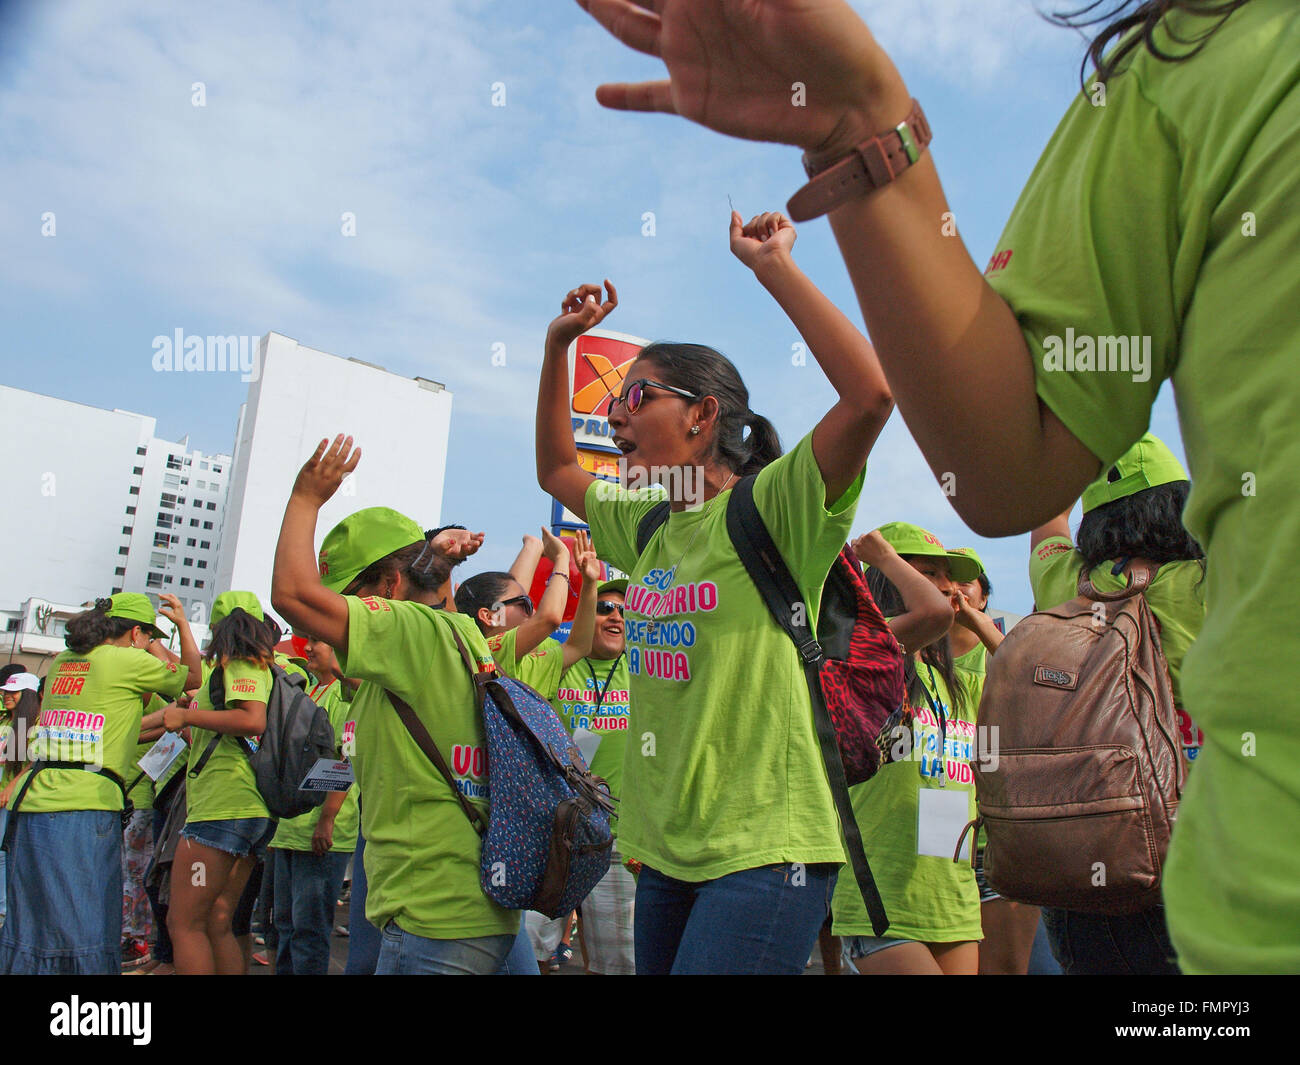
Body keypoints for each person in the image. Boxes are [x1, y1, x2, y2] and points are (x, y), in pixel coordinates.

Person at [575, 0, 1298, 976]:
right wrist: (854, 132)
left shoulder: (793, 520)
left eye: (646, 396)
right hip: (1224, 896)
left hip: (891, 866)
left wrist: (845, 156)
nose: (948, 584)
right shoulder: (1201, 58)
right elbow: (1003, 469)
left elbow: (914, 433)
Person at [534, 207, 894, 974]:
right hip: (667, 854)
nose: (614, 417)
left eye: (636, 399)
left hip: (767, 851)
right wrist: (558, 345)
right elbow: (557, 472)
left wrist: (775, 268)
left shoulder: (774, 506)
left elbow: (870, 396)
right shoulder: (652, 525)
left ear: (702, 415)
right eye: (611, 403)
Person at [271, 445, 523, 975]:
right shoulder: (441, 636)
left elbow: (292, 594)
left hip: (434, 915)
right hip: (464, 906)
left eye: (349, 597)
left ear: (386, 590)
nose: (334, 619)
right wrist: (437, 557)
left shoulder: (411, 631)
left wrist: (305, 498)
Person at [1028, 431, 1206, 975]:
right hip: (1202, 853)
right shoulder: (1209, 581)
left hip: (1089, 859)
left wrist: (1061, 453)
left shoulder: (1063, 580)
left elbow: (1046, 523)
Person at [0, 593, 197, 974]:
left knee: (32, 921)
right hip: (83, 805)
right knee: (84, 920)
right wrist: (178, 629)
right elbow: (191, 678)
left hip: (34, 799)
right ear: (138, 633)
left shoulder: (62, 663)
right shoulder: (128, 660)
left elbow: (118, 728)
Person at [832, 525, 982, 975]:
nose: (946, 587)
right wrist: (881, 557)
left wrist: (973, 619)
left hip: (951, 897)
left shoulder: (962, 686)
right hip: (881, 894)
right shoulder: (870, 662)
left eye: (949, 577)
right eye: (929, 571)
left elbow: (1025, 674)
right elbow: (932, 613)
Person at [457, 527, 602, 973]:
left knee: (509, 926)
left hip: (526, 797)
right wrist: (560, 560)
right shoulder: (487, 648)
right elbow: (549, 619)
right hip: (499, 798)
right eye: (522, 603)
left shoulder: (534, 656)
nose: (532, 603)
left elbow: (577, 642)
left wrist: (589, 582)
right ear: (489, 616)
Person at [163, 590, 279, 975]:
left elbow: (251, 720)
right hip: (241, 812)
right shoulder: (245, 667)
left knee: (184, 924)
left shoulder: (242, 663)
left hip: (221, 812)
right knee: (215, 922)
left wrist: (188, 719)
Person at [550, 578, 636, 975]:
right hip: (552, 833)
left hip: (616, 836)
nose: (616, 615)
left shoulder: (643, 671)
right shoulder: (557, 664)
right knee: (528, 956)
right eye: (604, 608)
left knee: (617, 963)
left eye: (623, 610)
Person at [267, 636, 358, 975]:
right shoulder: (309, 691)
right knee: (285, 926)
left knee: (308, 932)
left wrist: (328, 819)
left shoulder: (345, 695)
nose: (307, 648)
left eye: (317, 640)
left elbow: (347, 758)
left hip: (319, 833)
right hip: (290, 830)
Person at [0, 672, 41, 928]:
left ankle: (4, 908)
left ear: (27, 695)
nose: (7, 696)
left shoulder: (33, 725)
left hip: (13, 798)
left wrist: (10, 788)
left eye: (14, 692)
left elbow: (33, 764)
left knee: (4, 853)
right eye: (6, 691)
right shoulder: (6, 722)